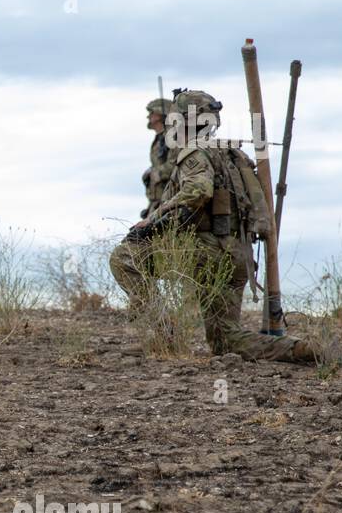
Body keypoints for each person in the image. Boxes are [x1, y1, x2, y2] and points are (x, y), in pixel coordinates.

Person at [109, 89, 322, 364]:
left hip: (209, 251)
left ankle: (160, 334)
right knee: (226, 341)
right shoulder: (233, 155)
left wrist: (152, 222)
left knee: (125, 257)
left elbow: (198, 191)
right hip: (237, 258)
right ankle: (298, 349)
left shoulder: (194, 153)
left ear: (183, 120)